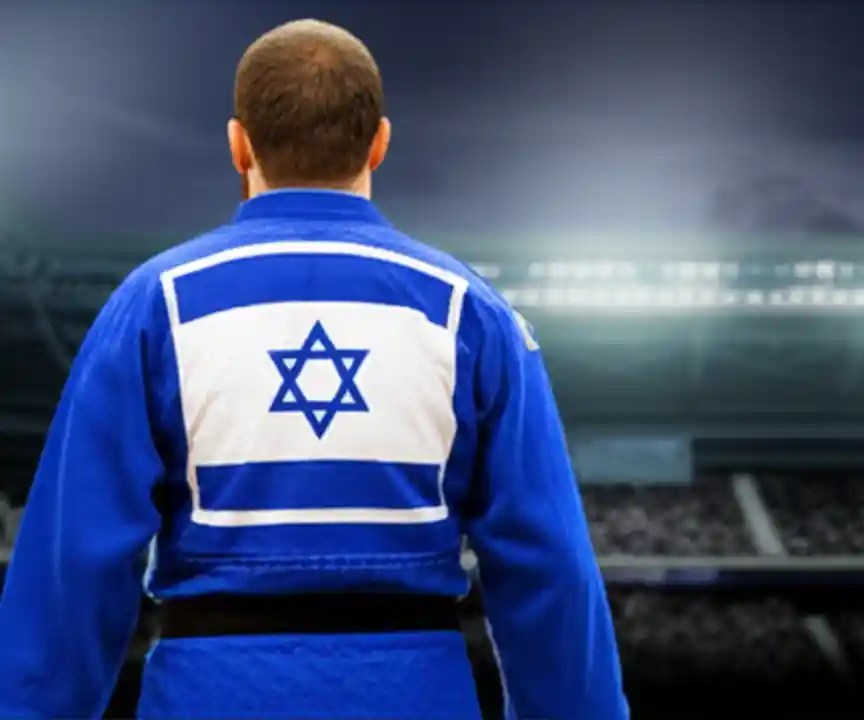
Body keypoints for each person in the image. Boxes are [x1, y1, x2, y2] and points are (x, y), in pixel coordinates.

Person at [0, 18, 627, 720]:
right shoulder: (471, 316)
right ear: (379, 142)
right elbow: (550, 570)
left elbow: (71, 570)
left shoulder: (154, 307)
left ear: (239, 144)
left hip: (208, 695)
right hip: (417, 695)